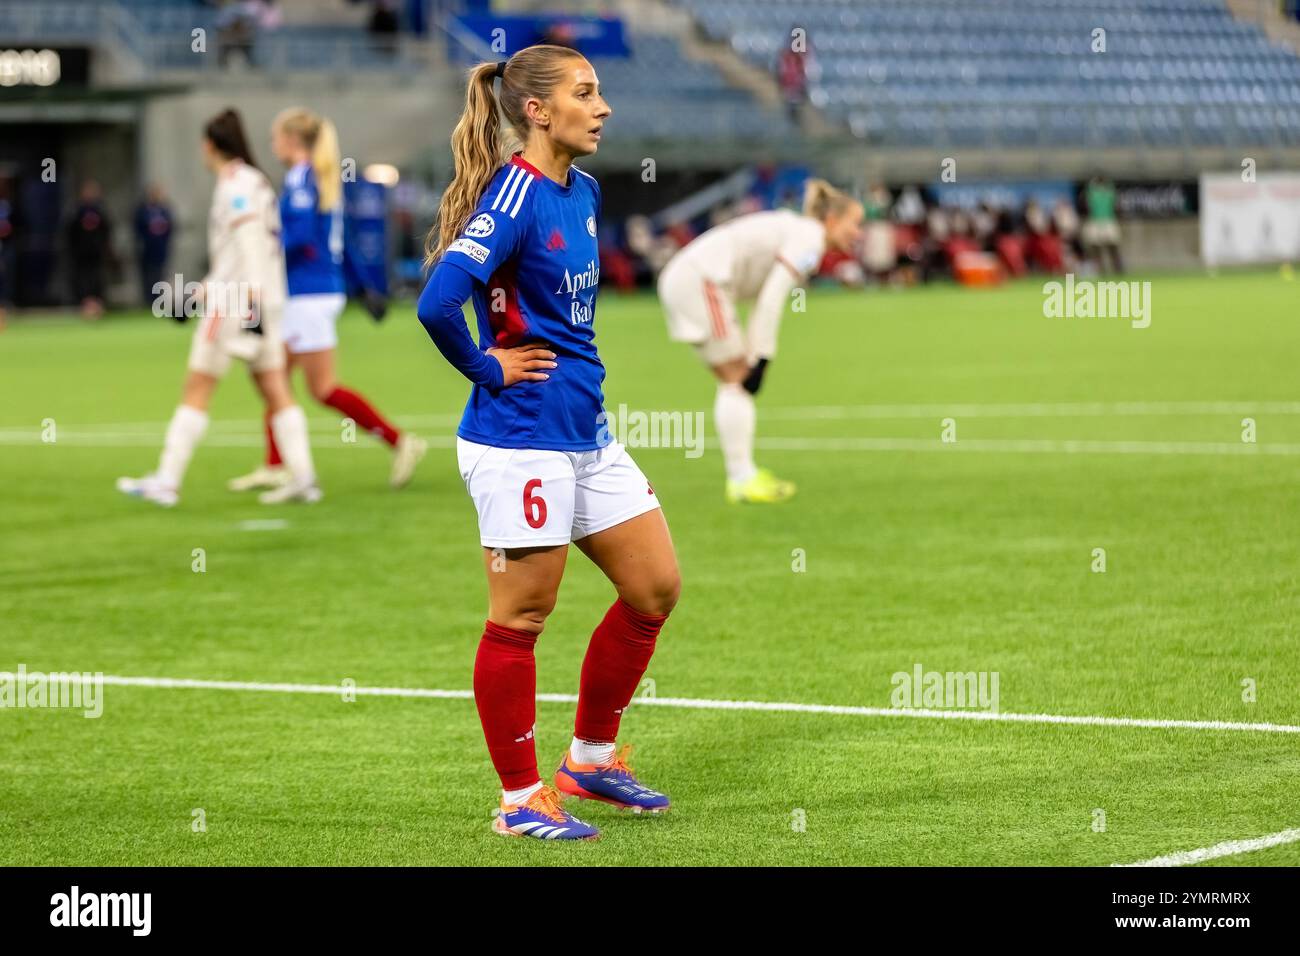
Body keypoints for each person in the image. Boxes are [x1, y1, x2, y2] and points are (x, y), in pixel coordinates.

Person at [416, 45, 681, 842]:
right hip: (520, 439)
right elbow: (438, 301)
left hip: (586, 433)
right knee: (522, 617)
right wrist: (484, 365)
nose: (602, 108)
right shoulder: (514, 194)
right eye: (585, 93)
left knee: (655, 587)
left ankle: (590, 762)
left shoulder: (586, 190)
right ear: (537, 109)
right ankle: (519, 800)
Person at [117, 108, 320, 507]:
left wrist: (249, 305)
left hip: (239, 304)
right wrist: (201, 293)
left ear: (210, 145)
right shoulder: (256, 180)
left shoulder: (236, 184)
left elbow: (248, 248)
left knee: (198, 386)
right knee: (275, 389)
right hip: (263, 300)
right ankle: (304, 478)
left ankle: (167, 480)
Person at [227, 107, 426, 493]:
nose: (272, 144)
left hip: (308, 295)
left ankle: (399, 442)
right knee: (277, 377)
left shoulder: (303, 179)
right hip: (317, 293)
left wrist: (254, 256)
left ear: (291, 140)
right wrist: (365, 285)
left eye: (275, 137)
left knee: (308, 385)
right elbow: (341, 241)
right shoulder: (320, 177)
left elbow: (299, 239)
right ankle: (276, 463)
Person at [657, 179, 864, 502]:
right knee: (737, 378)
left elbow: (763, 299)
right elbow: (772, 297)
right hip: (702, 280)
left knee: (736, 379)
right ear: (833, 220)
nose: (858, 233)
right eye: (855, 224)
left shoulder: (801, 232)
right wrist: (762, 358)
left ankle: (742, 476)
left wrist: (757, 354)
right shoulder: (809, 240)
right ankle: (741, 479)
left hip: (695, 278)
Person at [66, 180, 114, 318]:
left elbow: (107, 230)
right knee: (82, 278)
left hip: (97, 252)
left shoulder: (100, 210)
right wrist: (73, 248)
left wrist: (104, 246)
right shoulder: (77, 210)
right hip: (81, 252)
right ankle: (85, 304)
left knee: (97, 277)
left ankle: (98, 304)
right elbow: (70, 231)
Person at [134, 184, 174, 308]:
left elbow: (171, 228)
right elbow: (137, 228)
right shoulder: (143, 210)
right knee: (147, 275)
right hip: (147, 249)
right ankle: (148, 301)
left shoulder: (165, 210)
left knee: (160, 274)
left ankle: (159, 300)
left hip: (161, 249)